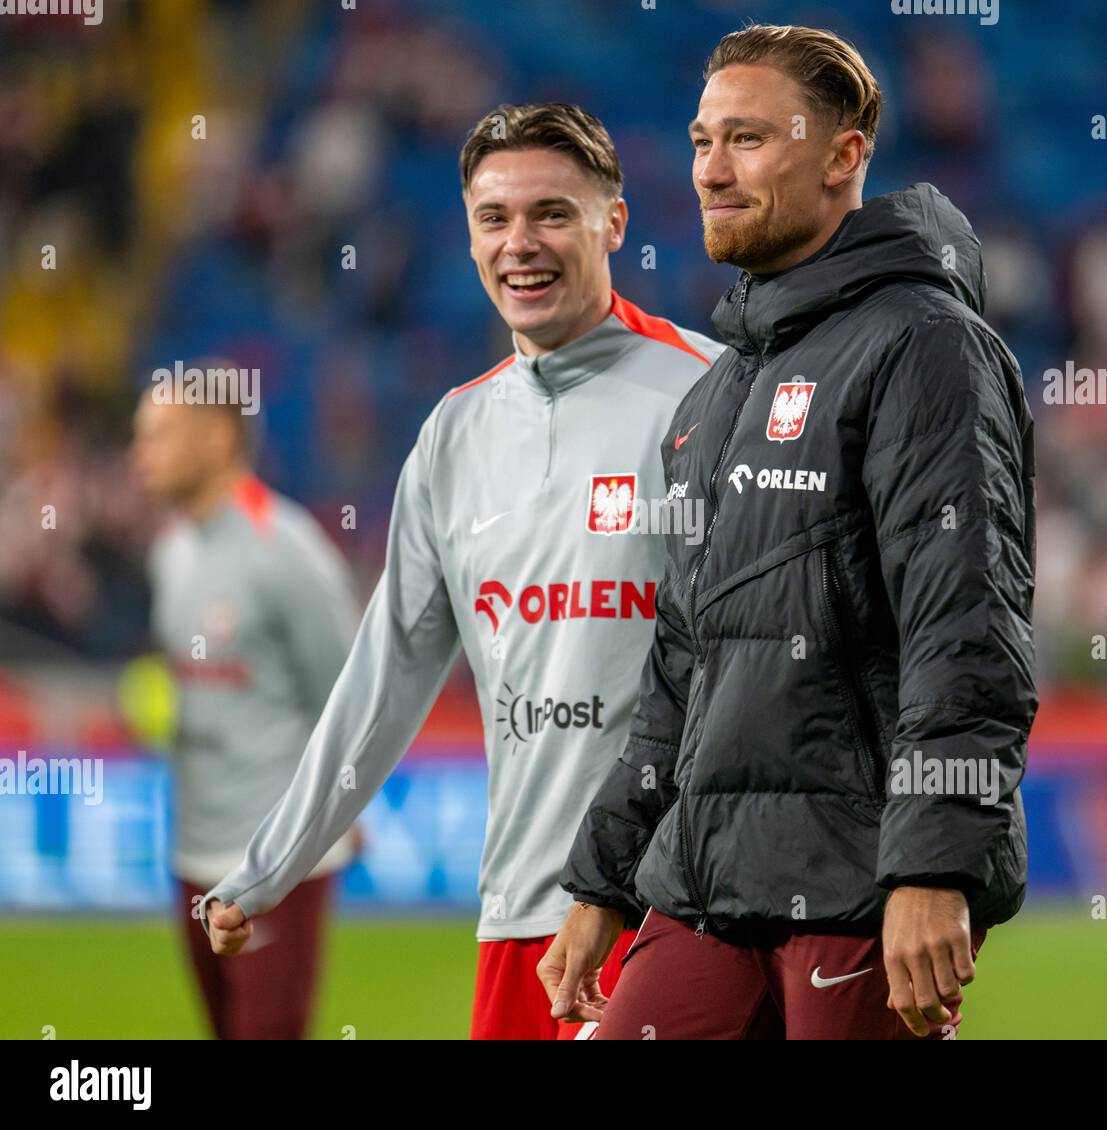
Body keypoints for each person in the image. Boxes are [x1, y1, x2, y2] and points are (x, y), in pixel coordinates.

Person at [543, 24, 1038, 1040]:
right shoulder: (714, 396)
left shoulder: (927, 348)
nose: (710, 172)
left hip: (861, 880)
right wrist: (602, 879)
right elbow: (681, 666)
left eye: (748, 141)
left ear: (844, 155)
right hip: (706, 879)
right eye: (699, 140)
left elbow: (965, 629)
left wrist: (934, 866)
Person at [200, 102, 725, 1039]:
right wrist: (270, 866)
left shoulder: (710, 392)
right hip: (521, 919)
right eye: (495, 218)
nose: (520, 243)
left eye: (552, 214)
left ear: (613, 222)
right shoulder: (453, 435)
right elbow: (386, 678)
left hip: (681, 914)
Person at [131, 386, 360, 1039]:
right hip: (191, 850)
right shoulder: (170, 551)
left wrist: (340, 812)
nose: (138, 452)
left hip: (275, 858)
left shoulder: (288, 548)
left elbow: (348, 694)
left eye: (158, 433)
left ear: (218, 438)